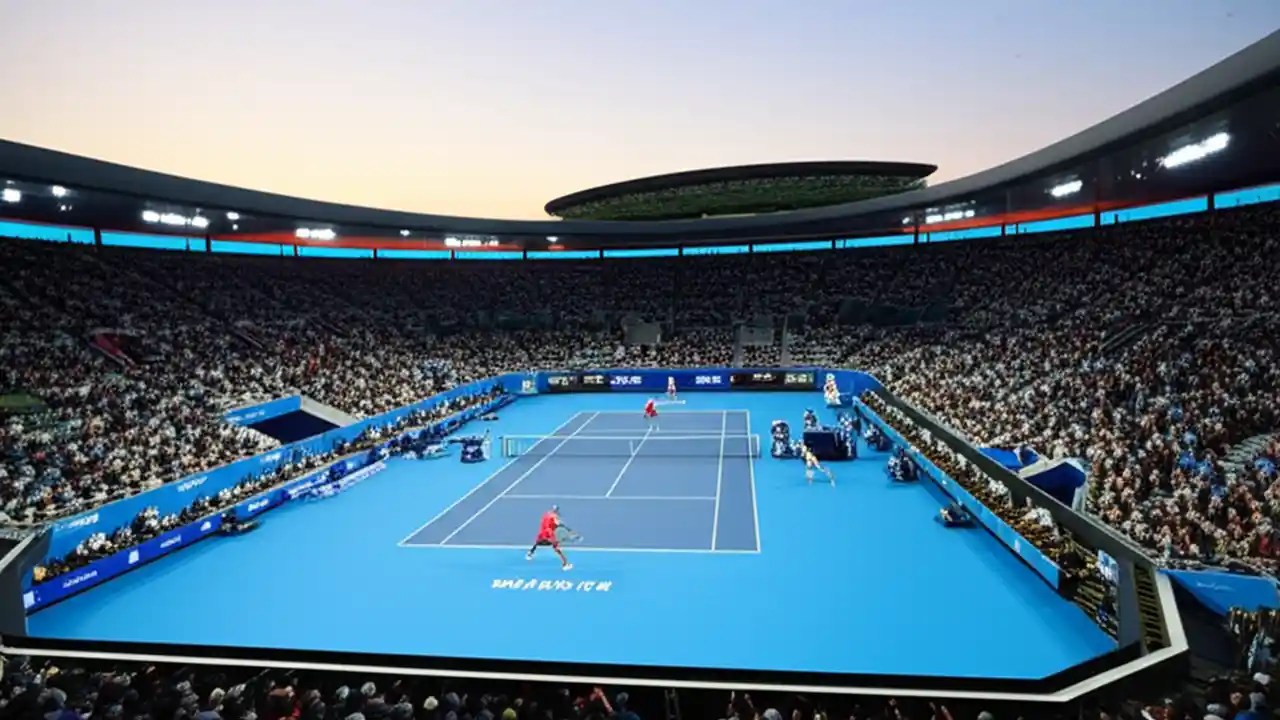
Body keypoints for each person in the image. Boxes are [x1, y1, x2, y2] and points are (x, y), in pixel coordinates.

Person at [527, 505, 573, 570]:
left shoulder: (546, 515)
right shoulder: (555, 517)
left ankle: (530, 553)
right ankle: (565, 564)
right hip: (549, 534)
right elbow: (558, 523)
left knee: (538, 542)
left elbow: (544, 522)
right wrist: (565, 528)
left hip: (542, 533)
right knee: (556, 548)